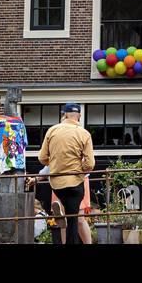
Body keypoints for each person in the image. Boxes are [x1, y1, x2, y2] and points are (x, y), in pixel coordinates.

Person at [35, 103, 95, 246]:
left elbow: (42, 158)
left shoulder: (52, 130)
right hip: (76, 183)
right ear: (79, 116)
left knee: (69, 216)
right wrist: (79, 169)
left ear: (64, 115)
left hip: (57, 184)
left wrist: (56, 163)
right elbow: (90, 164)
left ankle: (62, 217)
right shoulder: (84, 133)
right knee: (76, 216)